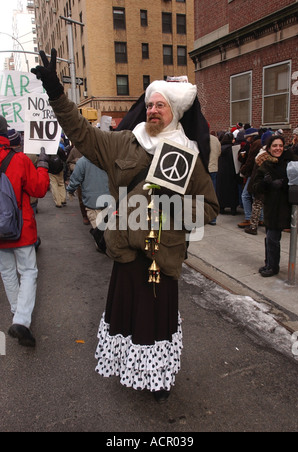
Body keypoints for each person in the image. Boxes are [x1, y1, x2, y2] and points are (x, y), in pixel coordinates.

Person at [31, 49, 219, 402]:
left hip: (162, 258)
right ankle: (132, 369)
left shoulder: (188, 157)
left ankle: (158, 378)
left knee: (156, 324)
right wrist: (56, 93)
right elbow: (82, 134)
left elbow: (209, 208)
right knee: (129, 320)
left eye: (159, 106)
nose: (151, 111)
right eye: (149, 105)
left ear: (174, 112)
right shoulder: (124, 141)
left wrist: (166, 207)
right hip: (125, 254)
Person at [0, 116, 49, 347]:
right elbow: (39, 189)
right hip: (21, 228)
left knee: (7, 271)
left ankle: (16, 312)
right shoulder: (18, 159)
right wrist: (42, 165)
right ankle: (21, 320)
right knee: (28, 271)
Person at [252, 135, 298, 277]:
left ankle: (273, 266)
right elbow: (255, 187)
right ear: (269, 148)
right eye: (274, 146)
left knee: (272, 237)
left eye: (280, 145)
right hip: (272, 207)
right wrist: (266, 183)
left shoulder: (292, 161)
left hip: (288, 206)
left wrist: (284, 182)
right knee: (270, 237)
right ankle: (270, 264)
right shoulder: (264, 164)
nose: (277, 148)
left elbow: (296, 179)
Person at [66, 156, 110, 250]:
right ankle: (107, 243)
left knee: (97, 226)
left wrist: (70, 190)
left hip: (92, 201)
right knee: (107, 223)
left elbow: (75, 179)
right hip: (108, 198)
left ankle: (102, 245)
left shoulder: (82, 162)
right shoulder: (107, 158)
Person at [237, 128, 262, 228]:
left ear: (250, 136)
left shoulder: (255, 144)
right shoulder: (258, 143)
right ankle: (260, 218)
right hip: (258, 173)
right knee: (257, 196)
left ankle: (248, 218)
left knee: (246, 195)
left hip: (254, 173)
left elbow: (250, 160)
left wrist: (243, 170)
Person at [216, 132, 239, 215]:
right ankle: (233, 209)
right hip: (231, 172)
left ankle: (221, 207)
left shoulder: (220, 148)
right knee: (232, 191)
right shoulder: (233, 149)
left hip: (221, 171)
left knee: (221, 190)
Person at [208, 131, 221, 225]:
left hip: (204, 169)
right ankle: (213, 218)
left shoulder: (199, 137)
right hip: (213, 168)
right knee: (213, 193)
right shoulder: (215, 139)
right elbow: (219, 152)